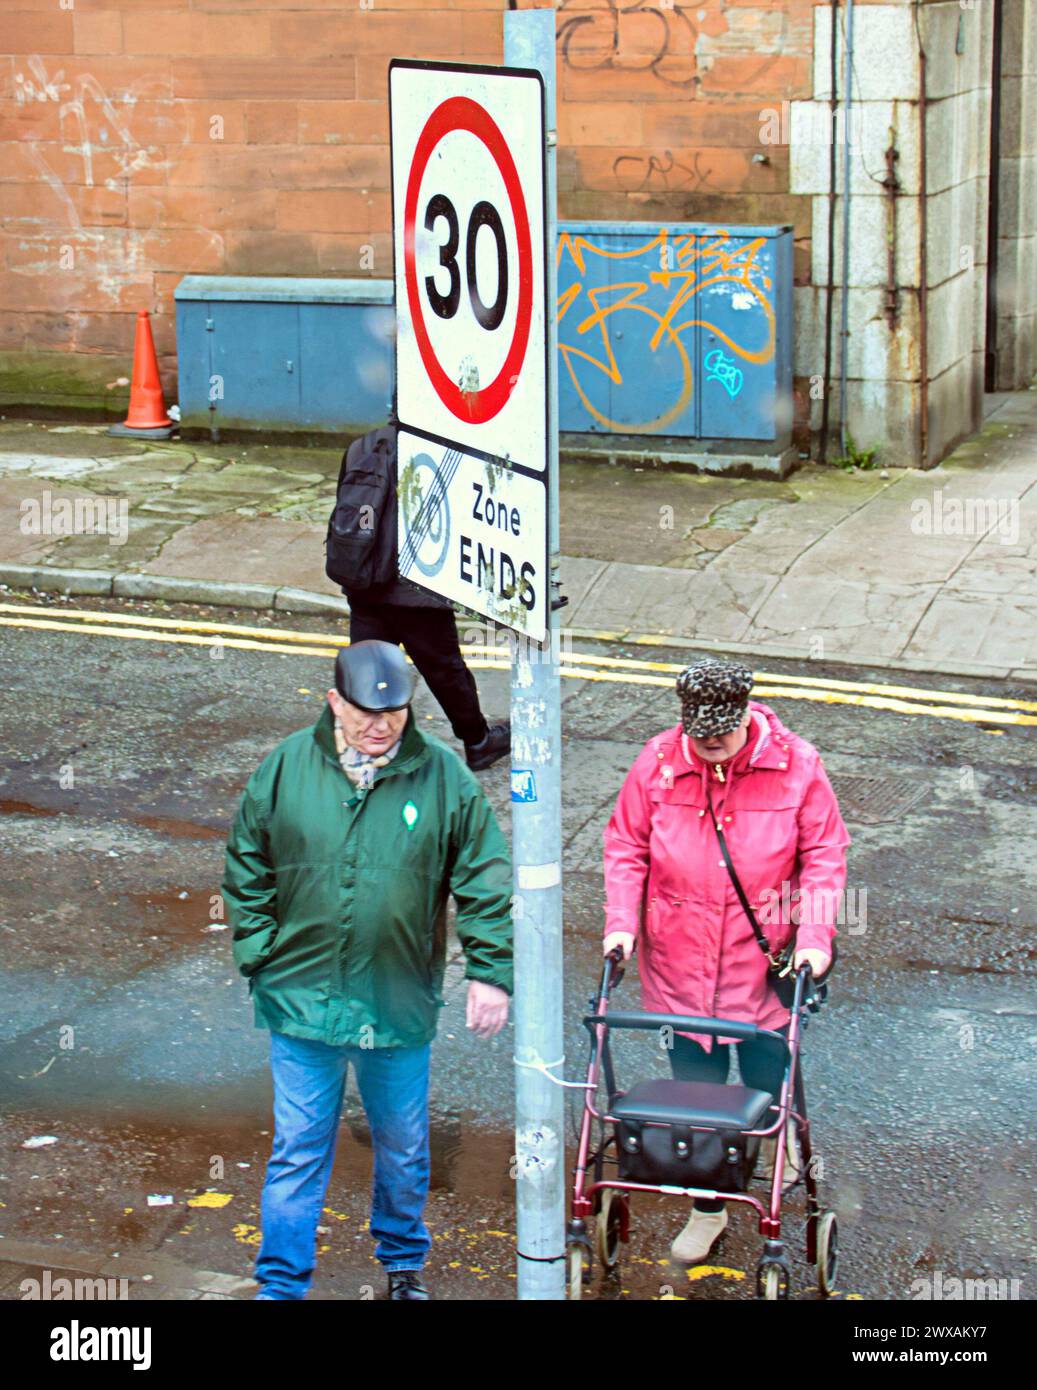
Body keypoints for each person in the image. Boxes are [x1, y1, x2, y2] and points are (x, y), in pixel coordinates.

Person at [223, 640, 513, 1301]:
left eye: (394, 713)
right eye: (364, 714)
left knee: (405, 1147)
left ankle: (403, 1267)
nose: (380, 727)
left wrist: (489, 972)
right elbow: (246, 862)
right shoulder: (285, 768)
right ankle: (281, 1286)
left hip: (396, 1002)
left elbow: (483, 877)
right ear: (333, 703)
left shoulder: (443, 777)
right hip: (302, 1000)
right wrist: (260, 954)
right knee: (299, 1148)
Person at [602, 656, 849, 1266]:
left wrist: (815, 937)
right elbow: (626, 845)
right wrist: (621, 925)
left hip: (762, 965)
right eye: (700, 738)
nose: (710, 750)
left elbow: (824, 852)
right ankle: (707, 1209)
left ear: (745, 719)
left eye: (722, 738)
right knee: (698, 1097)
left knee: (764, 1084)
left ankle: (777, 1133)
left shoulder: (797, 765)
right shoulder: (659, 761)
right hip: (679, 965)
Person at [340, 425, 510, 772]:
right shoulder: (443, 449)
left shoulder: (363, 445)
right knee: (445, 671)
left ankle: (364, 753)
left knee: (368, 673)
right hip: (417, 589)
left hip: (365, 580)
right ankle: (477, 742)